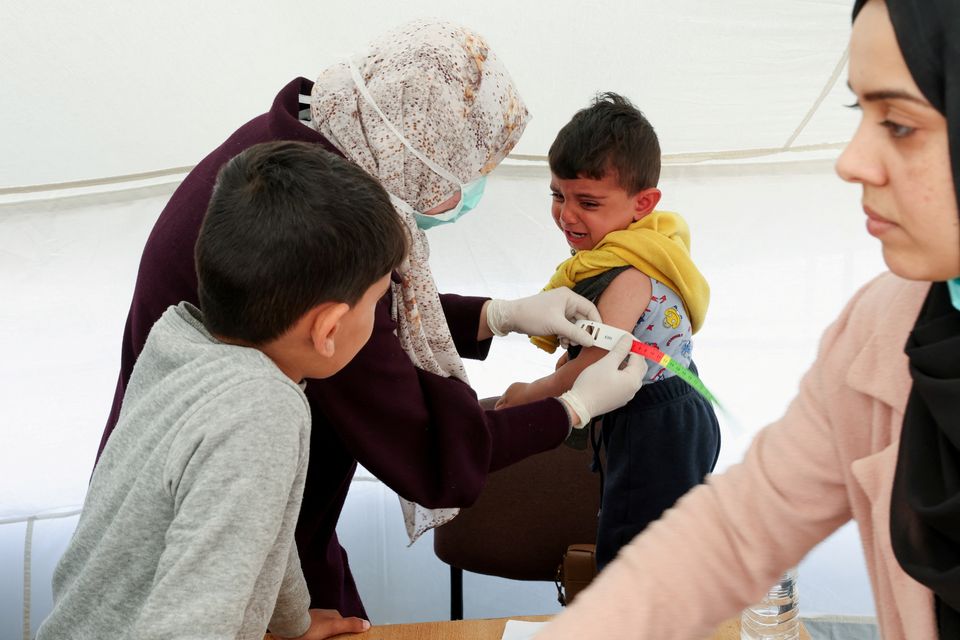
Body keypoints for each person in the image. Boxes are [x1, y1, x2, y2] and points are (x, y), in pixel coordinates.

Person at [94, 20, 644, 619]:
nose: (468, 188)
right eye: (467, 169)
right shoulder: (311, 258)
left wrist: (497, 316)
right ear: (420, 151)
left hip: (224, 540)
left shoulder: (288, 157)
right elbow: (425, 450)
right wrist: (571, 408)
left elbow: (373, 322)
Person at [536, 0, 960, 638]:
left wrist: (533, 397)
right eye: (859, 112)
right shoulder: (879, 328)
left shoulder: (627, 273)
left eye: (898, 122)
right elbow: (734, 532)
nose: (851, 161)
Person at [37, 141, 407, 639]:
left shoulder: (181, 339)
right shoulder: (262, 411)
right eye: (377, 301)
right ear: (329, 329)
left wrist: (293, 622)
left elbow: (270, 530)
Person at [496, 92, 720, 569]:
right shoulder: (633, 249)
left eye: (588, 202)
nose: (567, 214)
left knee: (632, 553)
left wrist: (535, 392)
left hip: (656, 425)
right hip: (662, 410)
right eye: (558, 195)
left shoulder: (628, 273)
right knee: (648, 542)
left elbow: (599, 359)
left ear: (644, 202)